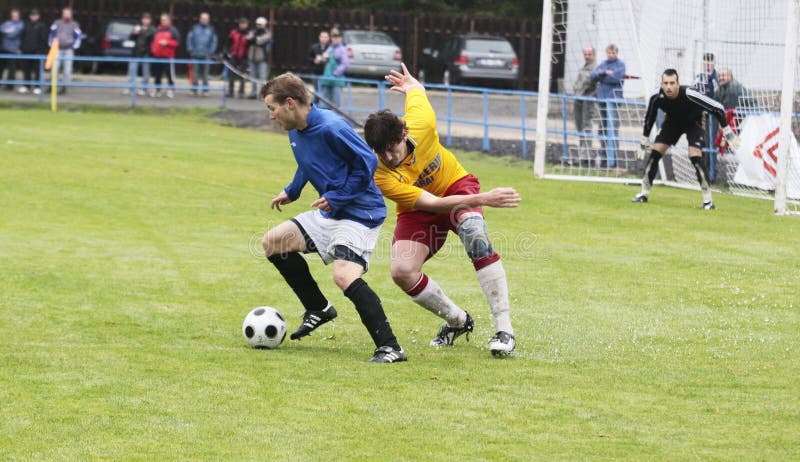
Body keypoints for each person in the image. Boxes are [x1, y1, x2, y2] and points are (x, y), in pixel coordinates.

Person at [363, 63, 521, 357]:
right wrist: (484, 198)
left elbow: (417, 91)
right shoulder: (380, 174)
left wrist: (411, 84)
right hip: (422, 206)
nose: (388, 157)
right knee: (401, 271)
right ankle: (458, 320)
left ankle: (504, 329)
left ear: (404, 132)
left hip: (455, 185)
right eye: (380, 152)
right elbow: (434, 205)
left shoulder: (422, 122)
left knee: (475, 234)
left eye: (392, 148)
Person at [259, 72, 407, 363]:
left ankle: (391, 347)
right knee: (272, 242)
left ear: (290, 103)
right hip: (333, 210)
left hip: (361, 214)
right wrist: (293, 190)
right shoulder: (296, 130)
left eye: (272, 108)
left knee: (344, 275)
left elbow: (367, 162)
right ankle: (318, 308)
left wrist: (338, 196)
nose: (271, 116)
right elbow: (307, 161)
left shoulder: (331, 126)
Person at [633, 69, 740, 209]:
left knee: (695, 156)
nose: (669, 87)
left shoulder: (690, 93)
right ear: (662, 84)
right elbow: (650, 117)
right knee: (655, 153)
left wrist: (727, 131)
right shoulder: (656, 96)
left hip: (694, 122)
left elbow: (718, 107)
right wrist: (644, 140)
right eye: (666, 83)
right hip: (672, 123)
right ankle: (643, 194)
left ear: (678, 83)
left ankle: (708, 201)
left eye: (672, 83)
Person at [591, 43, 625, 168]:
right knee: (602, 129)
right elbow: (593, 76)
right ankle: (603, 158)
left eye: (613, 53)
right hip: (602, 100)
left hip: (614, 102)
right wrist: (605, 72)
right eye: (609, 53)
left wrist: (602, 75)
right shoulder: (604, 64)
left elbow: (615, 79)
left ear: (616, 53)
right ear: (606, 53)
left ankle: (613, 161)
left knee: (612, 130)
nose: (611, 55)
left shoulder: (620, 65)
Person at [48, 7, 81, 94]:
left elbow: (77, 36)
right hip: (57, 49)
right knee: (54, 68)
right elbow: (52, 34)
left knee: (67, 70)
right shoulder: (57, 23)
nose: (66, 15)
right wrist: (52, 45)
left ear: (71, 14)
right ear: (62, 14)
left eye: (68, 13)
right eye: (65, 13)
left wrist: (74, 46)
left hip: (68, 50)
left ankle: (64, 87)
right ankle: (52, 86)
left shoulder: (75, 24)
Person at [573, 46, 598, 154]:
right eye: (585, 54)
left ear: (594, 55)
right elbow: (578, 83)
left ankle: (587, 153)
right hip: (578, 100)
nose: (587, 56)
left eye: (589, 54)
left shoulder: (596, 68)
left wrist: (586, 95)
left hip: (588, 101)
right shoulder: (584, 67)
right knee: (579, 126)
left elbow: (591, 85)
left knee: (586, 126)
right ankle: (582, 150)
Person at [186, 12, 218, 96]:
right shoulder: (194, 28)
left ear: (208, 20)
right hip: (195, 54)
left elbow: (214, 42)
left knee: (205, 74)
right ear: (200, 19)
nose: (204, 20)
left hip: (206, 55)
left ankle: (205, 90)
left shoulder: (211, 29)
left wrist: (211, 52)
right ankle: (194, 89)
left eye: (206, 18)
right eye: (203, 18)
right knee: (194, 73)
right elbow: (189, 39)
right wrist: (191, 50)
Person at [149, 12, 179, 98]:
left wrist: (167, 43)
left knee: (170, 74)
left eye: (165, 20)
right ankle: (157, 89)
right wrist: (153, 51)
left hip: (168, 57)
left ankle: (171, 89)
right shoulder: (156, 30)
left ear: (169, 20)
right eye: (162, 20)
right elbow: (152, 42)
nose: (163, 21)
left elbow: (177, 43)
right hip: (157, 56)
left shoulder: (173, 30)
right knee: (157, 74)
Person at [125, 12, 155, 96]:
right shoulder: (137, 27)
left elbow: (152, 40)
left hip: (146, 53)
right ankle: (130, 87)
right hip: (135, 53)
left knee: (146, 73)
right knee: (132, 71)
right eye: (144, 19)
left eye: (147, 19)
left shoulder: (152, 30)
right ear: (142, 20)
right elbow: (130, 38)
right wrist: (134, 33)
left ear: (150, 20)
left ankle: (143, 88)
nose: (145, 20)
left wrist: (142, 31)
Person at [19, 9, 48, 94]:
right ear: (30, 16)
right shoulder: (26, 25)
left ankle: (37, 87)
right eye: (32, 15)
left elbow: (43, 39)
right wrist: (22, 48)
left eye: (35, 15)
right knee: (26, 69)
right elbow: (22, 37)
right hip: (26, 51)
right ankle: (26, 86)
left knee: (37, 70)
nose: (33, 16)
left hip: (37, 53)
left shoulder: (42, 25)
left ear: (38, 16)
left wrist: (40, 51)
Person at [318, 28, 348, 109]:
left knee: (336, 104)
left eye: (337, 37)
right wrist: (323, 58)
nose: (335, 39)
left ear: (340, 38)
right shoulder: (330, 48)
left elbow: (344, 64)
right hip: (327, 78)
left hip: (336, 80)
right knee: (324, 102)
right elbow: (325, 58)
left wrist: (335, 74)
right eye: (333, 37)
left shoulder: (342, 49)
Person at [246, 16, 271, 99]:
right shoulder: (253, 31)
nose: (258, 26)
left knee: (262, 77)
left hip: (262, 58)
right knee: (252, 76)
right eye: (257, 24)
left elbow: (259, 42)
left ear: (264, 25)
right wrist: (254, 39)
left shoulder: (267, 33)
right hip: (252, 57)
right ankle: (253, 93)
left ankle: (262, 94)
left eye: (260, 24)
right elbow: (248, 39)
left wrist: (254, 39)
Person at [225, 18, 250, 98]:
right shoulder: (234, 32)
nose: (243, 25)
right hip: (234, 56)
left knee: (242, 75)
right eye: (242, 23)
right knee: (231, 74)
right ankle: (231, 91)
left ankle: (241, 92)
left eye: (244, 24)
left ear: (247, 25)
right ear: (239, 24)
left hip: (244, 57)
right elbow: (228, 43)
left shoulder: (249, 34)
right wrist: (228, 52)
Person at [0, 8, 24, 91]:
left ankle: (10, 86)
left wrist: (6, 32)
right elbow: (1, 30)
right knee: (1, 67)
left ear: (19, 16)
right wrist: (7, 31)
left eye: (16, 16)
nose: (14, 17)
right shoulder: (7, 23)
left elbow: (14, 34)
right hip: (3, 48)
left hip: (13, 49)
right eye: (13, 16)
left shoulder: (21, 24)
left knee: (11, 68)